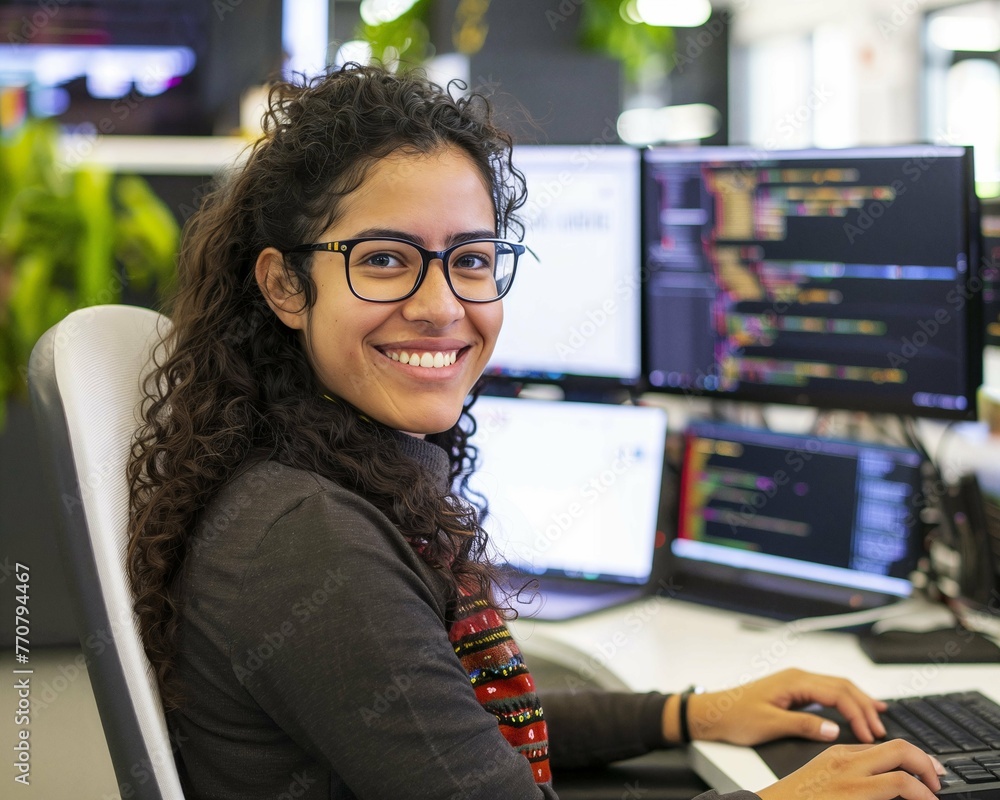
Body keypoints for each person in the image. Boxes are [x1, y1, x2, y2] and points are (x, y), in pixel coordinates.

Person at [126, 63, 945, 800]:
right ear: (285, 286)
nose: (443, 305)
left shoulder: (335, 469)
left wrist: (688, 713)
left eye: (472, 259)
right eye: (383, 259)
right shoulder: (307, 537)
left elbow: (449, 728)